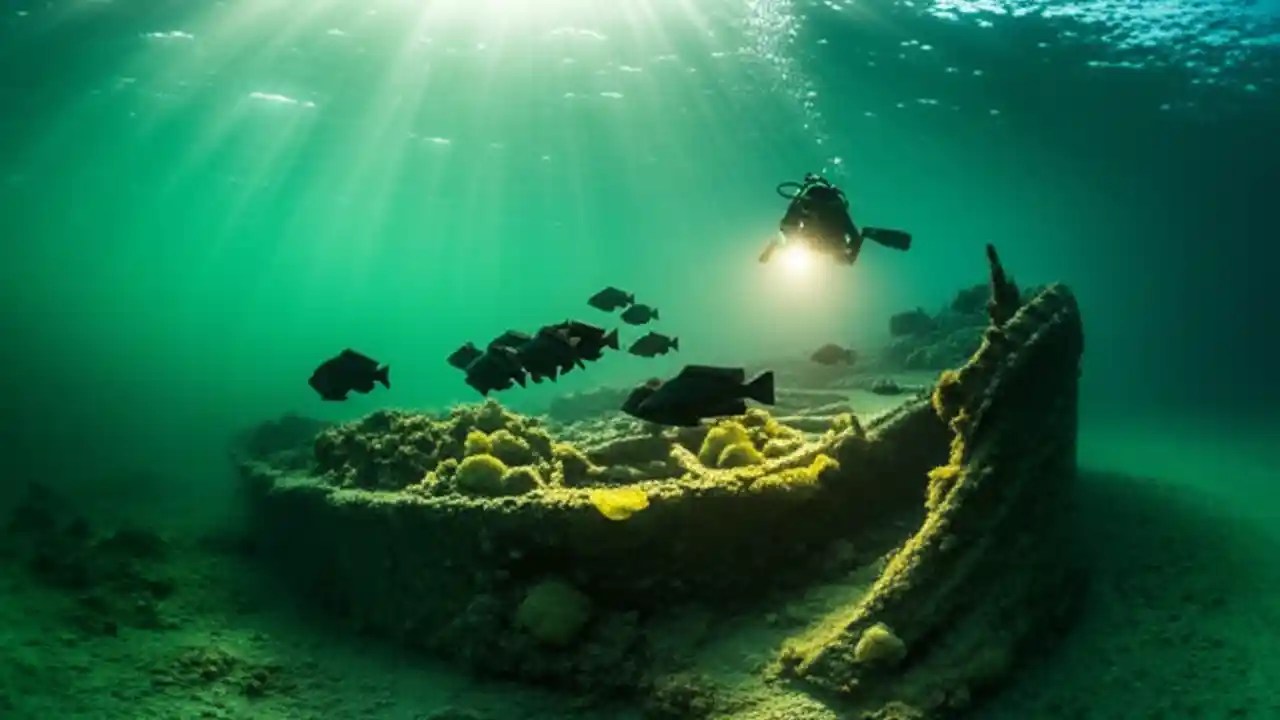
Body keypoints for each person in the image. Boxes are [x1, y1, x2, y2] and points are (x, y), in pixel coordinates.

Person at [760, 173, 912, 266]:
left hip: (829, 232)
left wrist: (770, 250)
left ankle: (867, 233)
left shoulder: (818, 208)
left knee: (843, 260)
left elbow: (785, 229)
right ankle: (866, 234)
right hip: (829, 231)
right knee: (844, 259)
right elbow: (785, 229)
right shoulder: (821, 208)